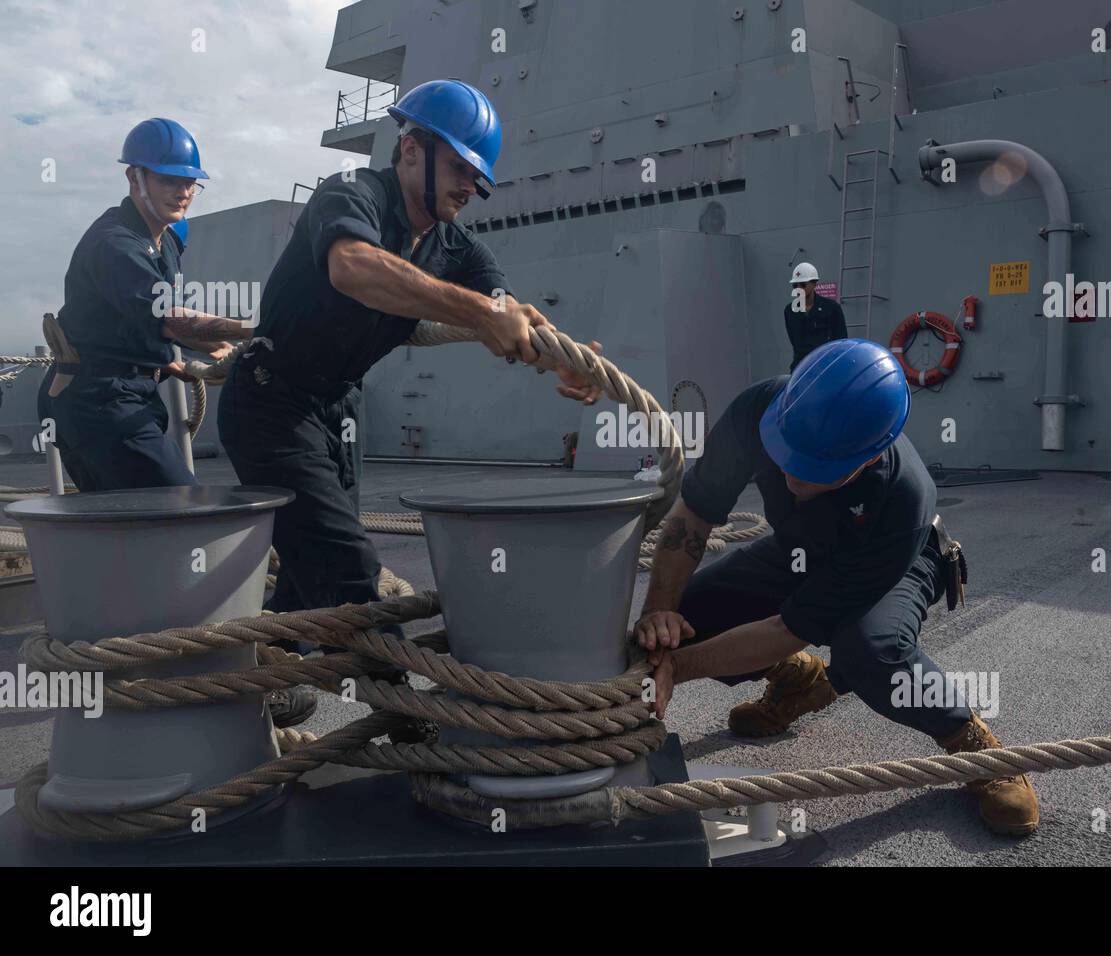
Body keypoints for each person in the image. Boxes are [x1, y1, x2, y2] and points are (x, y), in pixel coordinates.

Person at [216, 79, 599, 735]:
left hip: (336, 410)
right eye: (457, 169)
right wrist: (479, 311)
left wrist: (564, 358)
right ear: (410, 149)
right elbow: (353, 268)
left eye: (477, 181)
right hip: (269, 402)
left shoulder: (455, 246)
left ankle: (265, 675)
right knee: (353, 576)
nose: (466, 190)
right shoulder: (350, 195)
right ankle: (409, 726)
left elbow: (511, 317)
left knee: (310, 576)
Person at [633, 339, 1040, 835]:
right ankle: (801, 680)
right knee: (688, 614)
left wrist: (678, 668)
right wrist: (658, 609)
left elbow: (792, 626)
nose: (789, 475)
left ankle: (971, 742)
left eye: (812, 469)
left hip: (896, 558)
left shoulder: (902, 499)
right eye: (786, 455)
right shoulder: (758, 410)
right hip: (803, 546)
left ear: (866, 460)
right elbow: (692, 517)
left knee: (869, 651)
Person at [37, 118, 245, 495]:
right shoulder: (114, 243)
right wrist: (254, 329)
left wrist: (184, 357)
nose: (182, 192)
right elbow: (167, 317)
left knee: (127, 524)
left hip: (130, 395)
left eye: (189, 183)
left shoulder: (167, 239)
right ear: (135, 178)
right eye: (168, 180)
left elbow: (125, 320)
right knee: (180, 504)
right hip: (97, 401)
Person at [783, 262, 846, 372]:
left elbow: (841, 340)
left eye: (802, 284)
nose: (798, 288)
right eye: (795, 285)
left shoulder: (831, 308)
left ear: (814, 284)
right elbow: (795, 342)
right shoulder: (790, 311)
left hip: (826, 366)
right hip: (801, 367)